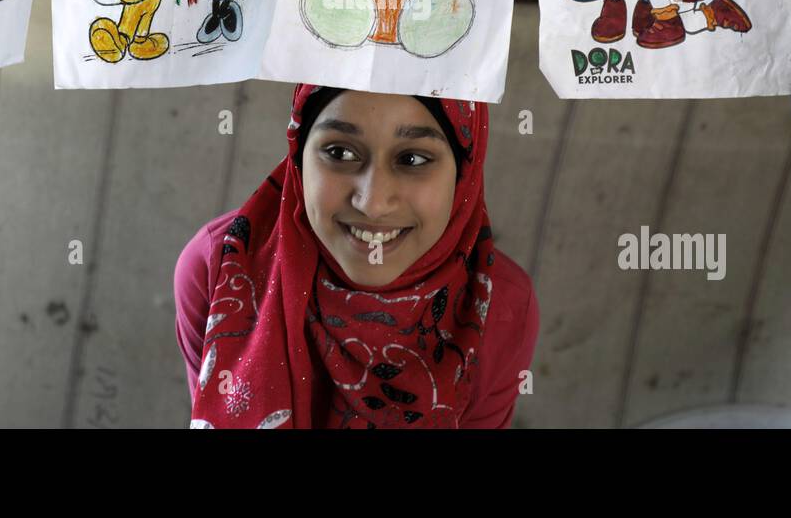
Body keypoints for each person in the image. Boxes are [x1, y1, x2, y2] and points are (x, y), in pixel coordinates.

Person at [174, 84, 540, 428]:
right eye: (340, 153)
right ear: (299, 155)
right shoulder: (220, 267)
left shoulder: (499, 307)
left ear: (464, 173)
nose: (373, 202)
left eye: (412, 159)